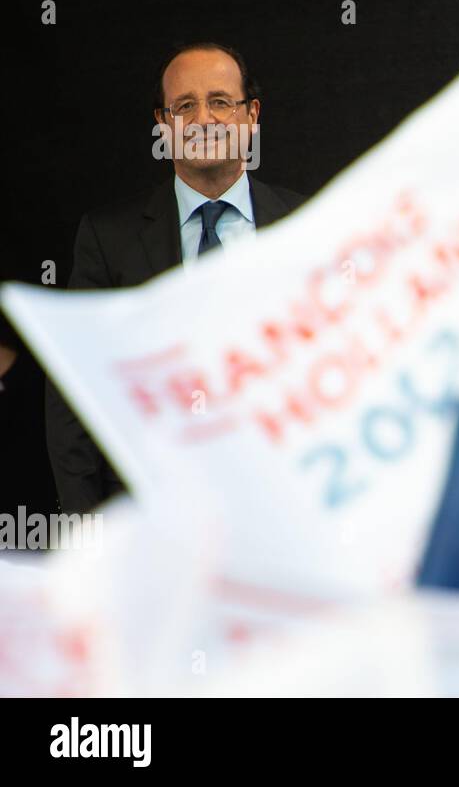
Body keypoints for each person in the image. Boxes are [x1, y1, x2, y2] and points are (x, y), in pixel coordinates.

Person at [45, 42, 306, 512]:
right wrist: (90, 534)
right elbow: (75, 397)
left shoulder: (307, 224)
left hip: (291, 508)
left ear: (251, 116)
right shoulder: (108, 240)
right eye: (184, 106)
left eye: (221, 102)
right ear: (163, 125)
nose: (204, 119)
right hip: (158, 524)